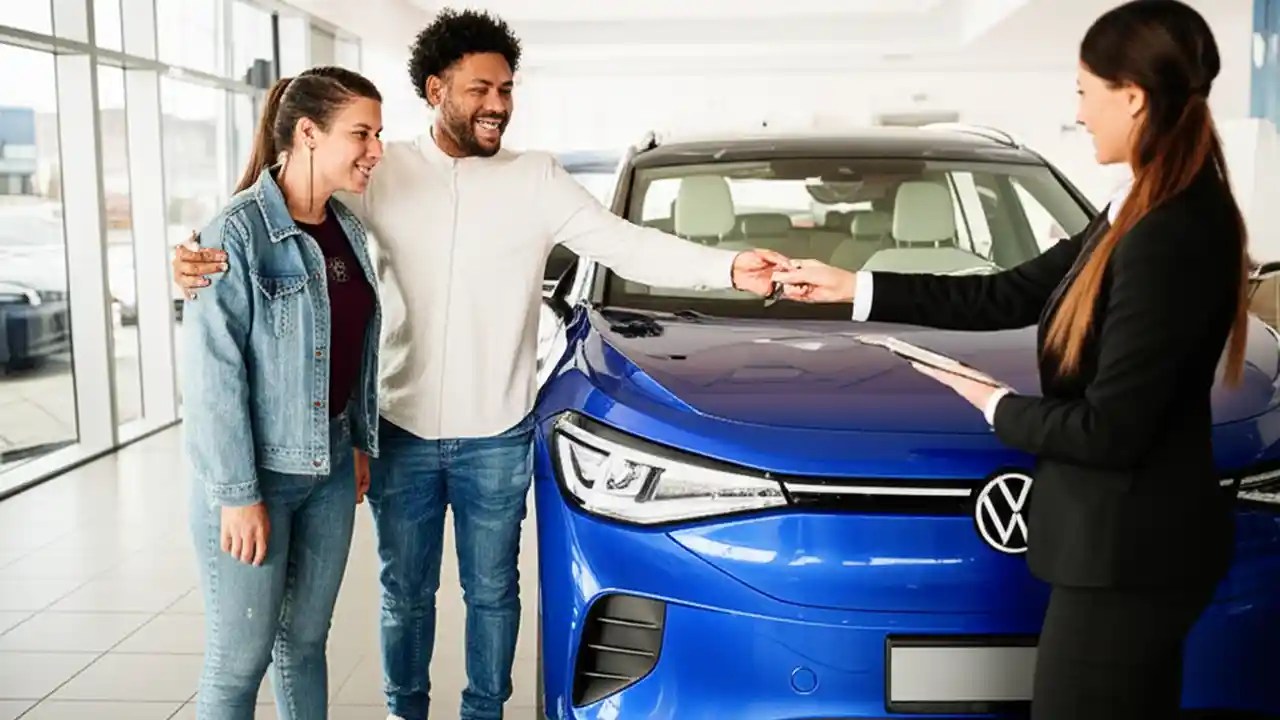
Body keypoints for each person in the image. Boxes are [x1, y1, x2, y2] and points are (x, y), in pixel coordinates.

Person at [172, 9, 790, 720]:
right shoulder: (380, 169)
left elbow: (627, 245)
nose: (498, 104)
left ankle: (483, 713)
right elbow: (279, 211)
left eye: (506, 89)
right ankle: (408, 711)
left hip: (497, 431)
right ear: (436, 89)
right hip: (398, 431)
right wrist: (193, 259)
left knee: (493, 594)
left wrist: (732, 267)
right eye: (481, 89)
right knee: (403, 595)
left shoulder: (537, 179)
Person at [772, 2, 1248, 718]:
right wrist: (852, 285)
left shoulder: (1170, 231)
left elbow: (1111, 431)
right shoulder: (1135, 209)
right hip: (1121, 552)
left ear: (1133, 97)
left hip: (1131, 556)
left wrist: (994, 403)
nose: (1080, 112)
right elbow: (1008, 292)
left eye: (1085, 91)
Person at [182, 66, 384, 719]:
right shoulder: (233, 235)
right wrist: (238, 497)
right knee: (237, 663)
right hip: (255, 475)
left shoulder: (349, 229)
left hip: (327, 469)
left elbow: (348, 350)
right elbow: (214, 377)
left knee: (304, 645)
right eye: (362, 133)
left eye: (378, 134)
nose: (375, 149)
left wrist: (354, 438)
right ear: (307, 133)